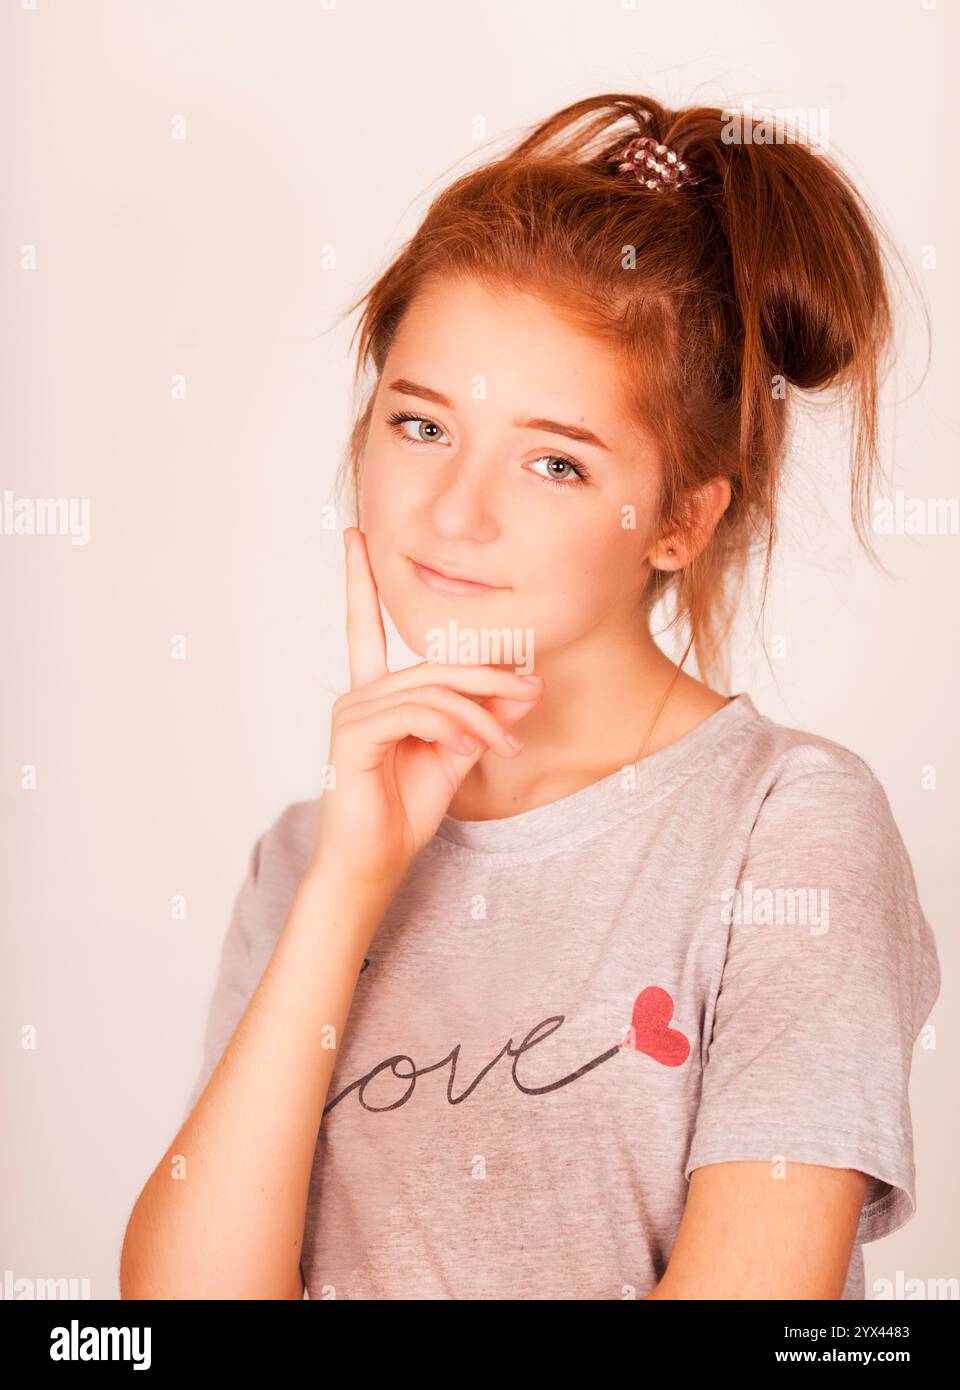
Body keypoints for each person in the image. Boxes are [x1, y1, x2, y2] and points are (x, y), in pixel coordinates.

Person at [120, 93, 940, 1300]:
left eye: (555, 460)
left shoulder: (788, 825)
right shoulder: (306, 858)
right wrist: (351, 885)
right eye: (420, 424)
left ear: (679, 517)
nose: (454, 511)